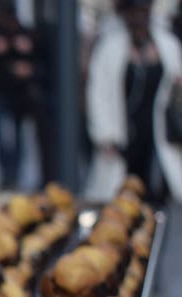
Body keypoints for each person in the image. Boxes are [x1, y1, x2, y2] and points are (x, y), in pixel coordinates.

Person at [87, 0, 182, 203]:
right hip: (123, 137)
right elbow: (98, 92)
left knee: (160, 193)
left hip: (158, 135)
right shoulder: (110, 48)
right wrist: (104, 134)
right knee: (122, 197)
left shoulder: (167, 45)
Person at [0, 0, 38, 190]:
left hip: (19, 97)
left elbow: (35, 61)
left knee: (18, 138)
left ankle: (15, 175)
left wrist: (27, 62)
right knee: (1, 138)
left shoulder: (23, 33)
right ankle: (6, 175)